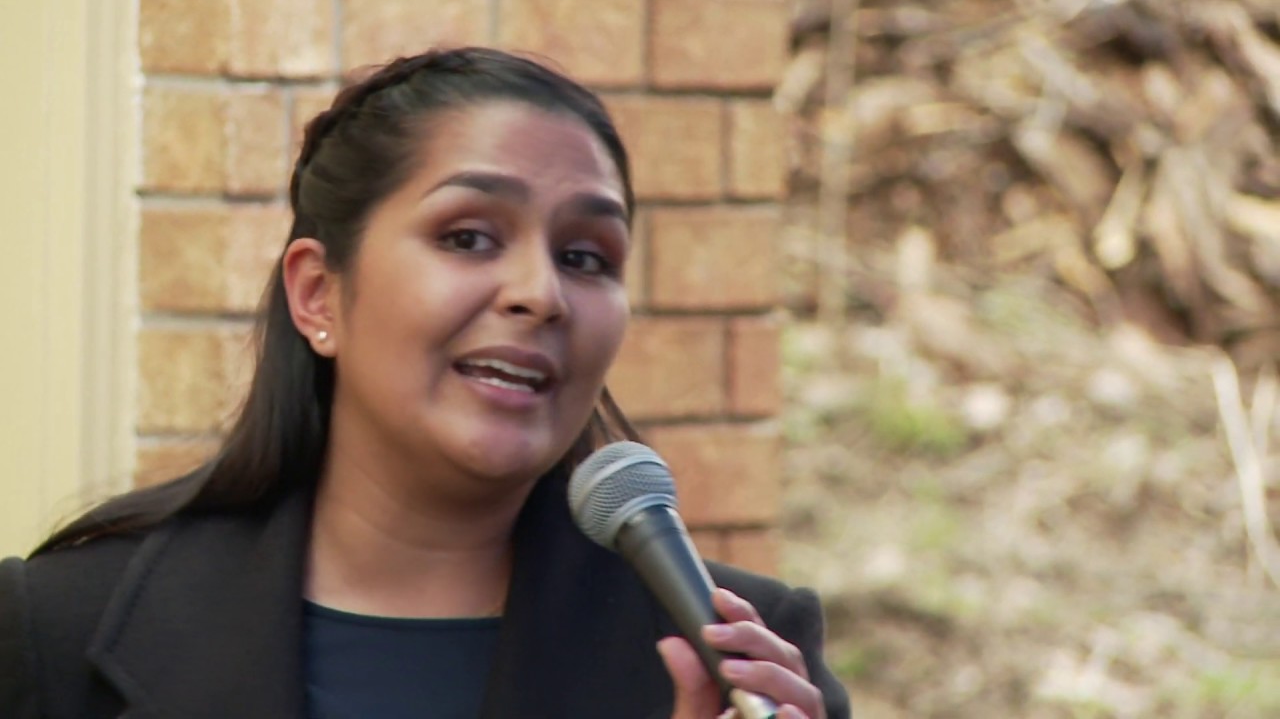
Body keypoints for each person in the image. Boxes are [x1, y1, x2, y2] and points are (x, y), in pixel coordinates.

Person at [0, 47, 850, 719]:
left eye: (586, 257)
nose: (541, 293)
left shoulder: (744, 661)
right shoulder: (55, 631)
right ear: (318, 293)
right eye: (469, 237)